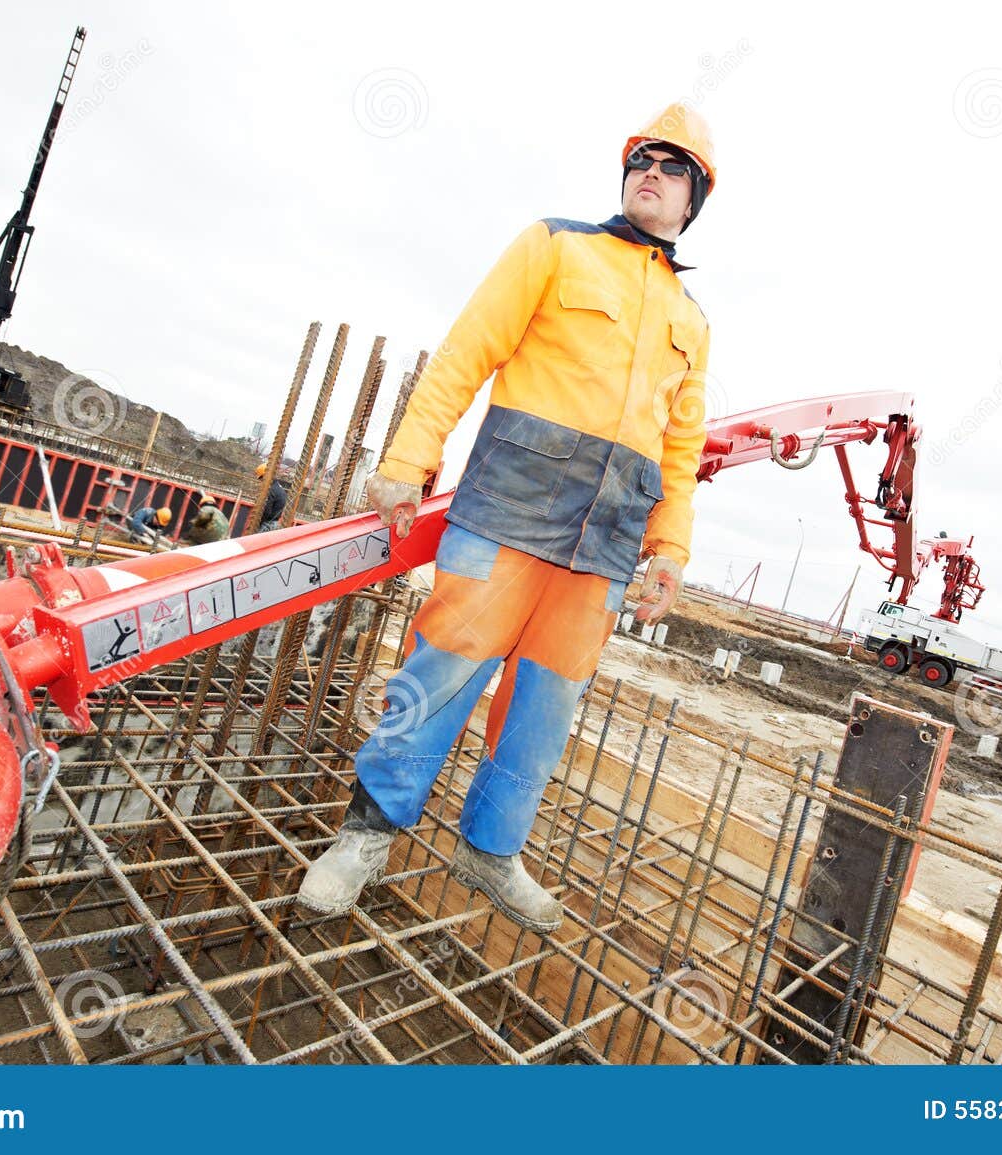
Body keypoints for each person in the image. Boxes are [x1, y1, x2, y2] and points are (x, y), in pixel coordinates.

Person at [298, 102, 716, 932]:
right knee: (440, 671)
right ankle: (365, 835)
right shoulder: (555, 246)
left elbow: (682, 447)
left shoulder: (692, 322)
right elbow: (468, 350)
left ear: (693, 198)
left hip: (603, 543)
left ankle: (491, 850)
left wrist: (669, 548)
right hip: (509, 507)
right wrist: (409, 459)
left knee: (545, 703)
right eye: (643, 160)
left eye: (673, 169)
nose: (652, 175)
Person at [255, 461, 288, 531]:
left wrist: (258, 522)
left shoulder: (270, 489)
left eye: (261, 478)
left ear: (265, 476)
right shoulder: (279, 488)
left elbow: (266, 511)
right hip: (274, 524)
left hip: (266, 525)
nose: (261, 481)